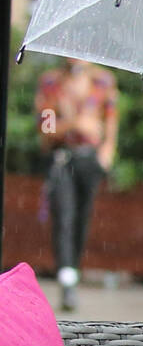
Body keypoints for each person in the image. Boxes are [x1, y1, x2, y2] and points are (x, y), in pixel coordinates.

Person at [34, 58, 119, 311]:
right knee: (64, 218)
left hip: (89, 160)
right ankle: (67, 281)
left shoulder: (102, 81)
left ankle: (74, 269)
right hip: (61, 158)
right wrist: (73, 124)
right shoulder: (51, 83)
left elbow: (111, 120)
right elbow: (46, 128)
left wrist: (107, 152)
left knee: (83, 220)